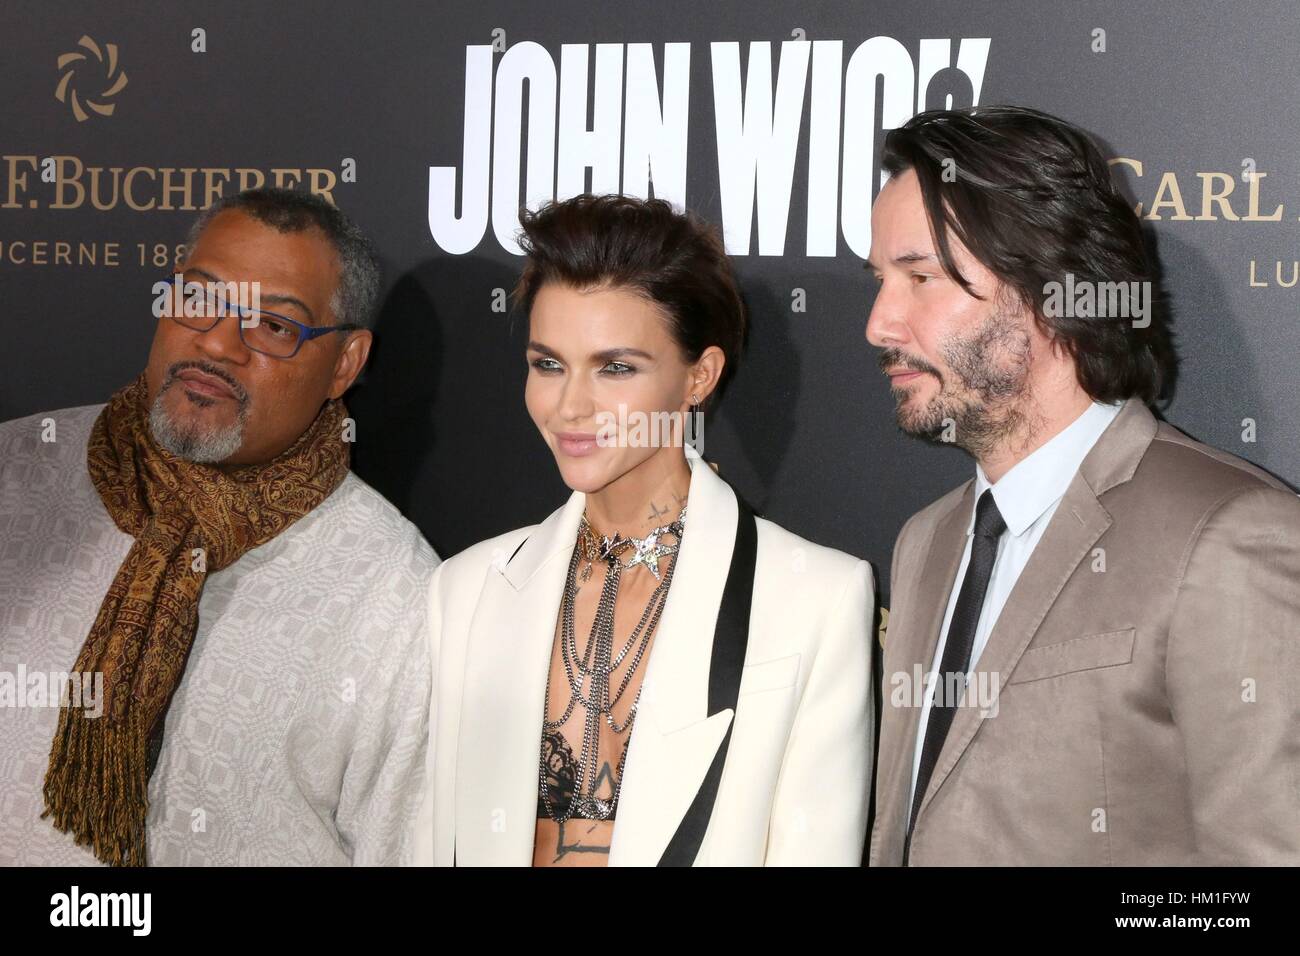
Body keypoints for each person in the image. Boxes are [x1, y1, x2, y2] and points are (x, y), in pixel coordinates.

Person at [864, 106, 1300, 865]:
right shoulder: (926, 542)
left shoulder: (1231, 537)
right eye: (880, 281)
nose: (879, 322)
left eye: (921, 278)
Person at [416, 194, 874, 866]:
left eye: (617, 368)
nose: (571, 406)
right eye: (548, 364)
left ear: (699, 376)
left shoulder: (815, 600)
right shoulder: (465, 591)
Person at [0, 187, 437, 866]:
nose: (217, 343)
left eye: (273, 326)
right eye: (199, 299)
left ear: (345, 365)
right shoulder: (16, 475)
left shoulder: (394, 592)